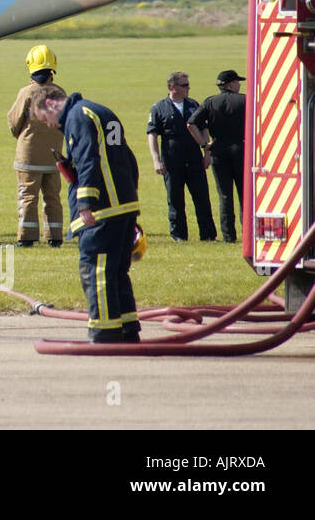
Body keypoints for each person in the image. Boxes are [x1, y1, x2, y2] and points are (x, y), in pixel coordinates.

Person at [32, 84, 141, 343]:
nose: (48, 125)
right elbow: (126, 157)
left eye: (44, 119)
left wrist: (85, 203)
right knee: (117, 272)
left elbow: (88, 158)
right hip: (123, 204)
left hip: (101, 210)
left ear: (50, 104)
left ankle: (104, 332)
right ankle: (127, 328)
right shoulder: (97, 110)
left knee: (97, 271)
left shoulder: (77, 116)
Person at [7, 45, 66, 247]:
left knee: (28, 197)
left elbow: (14, 122)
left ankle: (26, 237)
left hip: (29, 156)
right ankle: (55, 237)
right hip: (54, 157)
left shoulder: (27, 92)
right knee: (53, 198)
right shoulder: (60, 92)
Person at [147, 72, 216, 241]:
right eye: (184, 85)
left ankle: (208, 235)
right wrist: (156, 160)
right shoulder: (159, 108)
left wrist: (207, 153)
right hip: (172, 161)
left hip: (194, 160)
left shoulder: (193, 105)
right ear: (172, 87)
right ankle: (178, 235)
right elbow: (152, 135)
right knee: (175, 200)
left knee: (202, 198)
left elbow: (203, 129)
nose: (188, 88)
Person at [188, 69, 246, 243]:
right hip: (242, 149)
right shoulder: (245, 100)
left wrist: (204, 145)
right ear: (230, 84)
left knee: (225, 195)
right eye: (237, 81)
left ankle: (229, 236)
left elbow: (191, 124)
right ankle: (249, 234)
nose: (239, 84)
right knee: (245, 194)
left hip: (219, 150)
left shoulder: (210, 102)